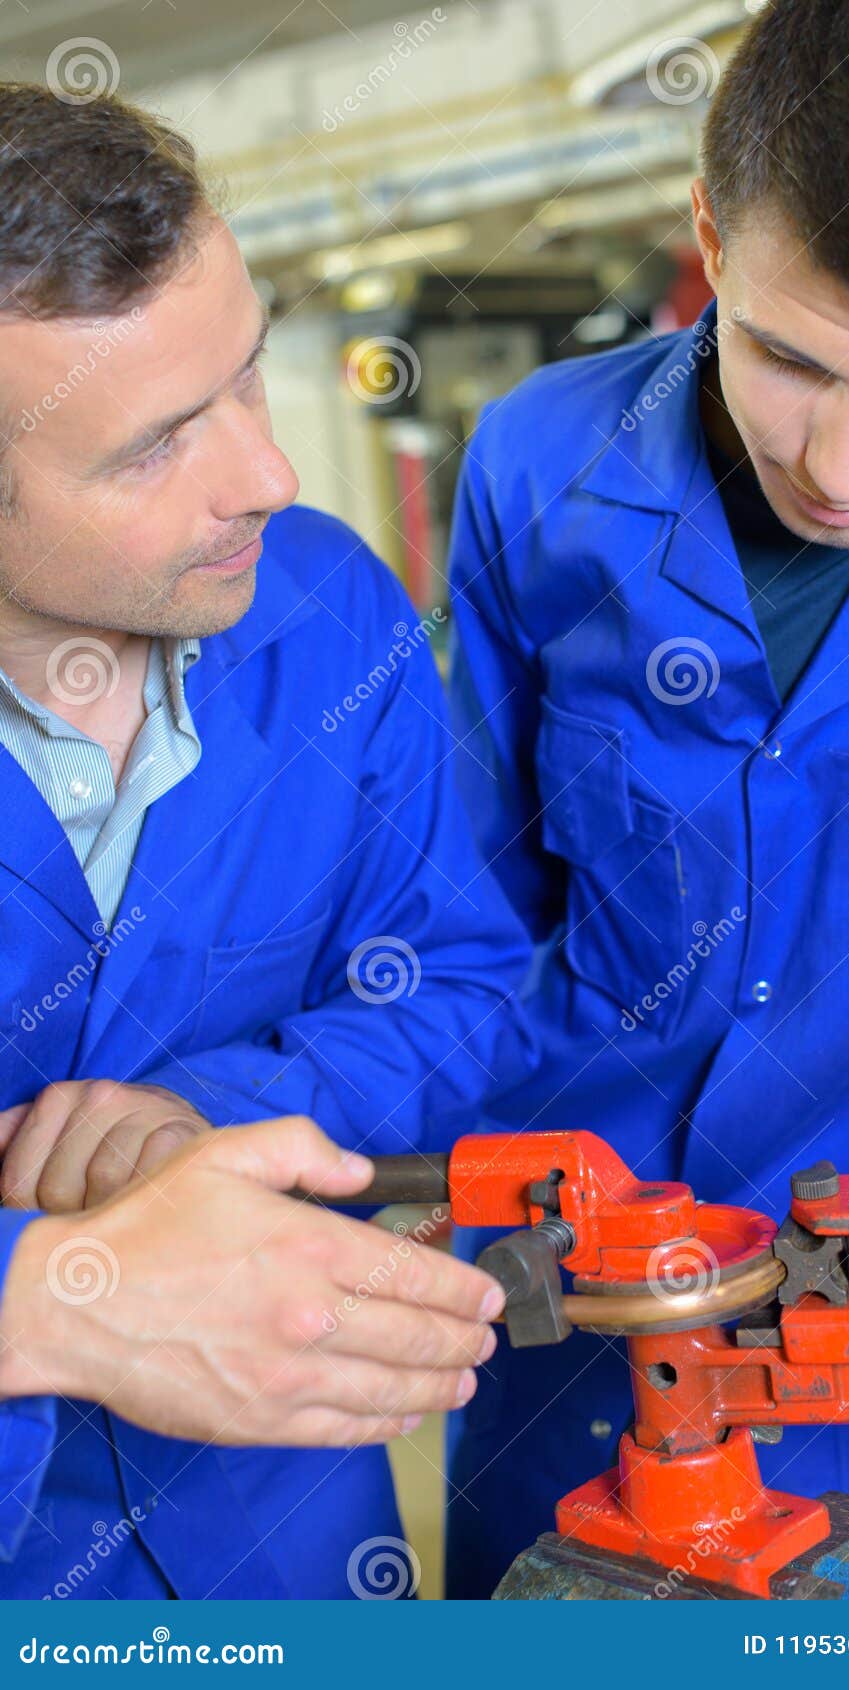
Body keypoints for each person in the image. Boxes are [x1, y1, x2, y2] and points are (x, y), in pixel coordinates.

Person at [444, 0, 849, 1597]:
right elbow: (471, 917)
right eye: (788, 359)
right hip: (571, 1345)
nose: (848, 463)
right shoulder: (537, 467)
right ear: (709, 236)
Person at [0, 83, 533, 1598]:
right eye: (157, 444)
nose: (269, 475)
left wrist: (212, 1110)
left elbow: (454, 981)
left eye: (244, 377)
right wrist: (41, 1300)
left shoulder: (318, 606)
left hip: (299, 1544)